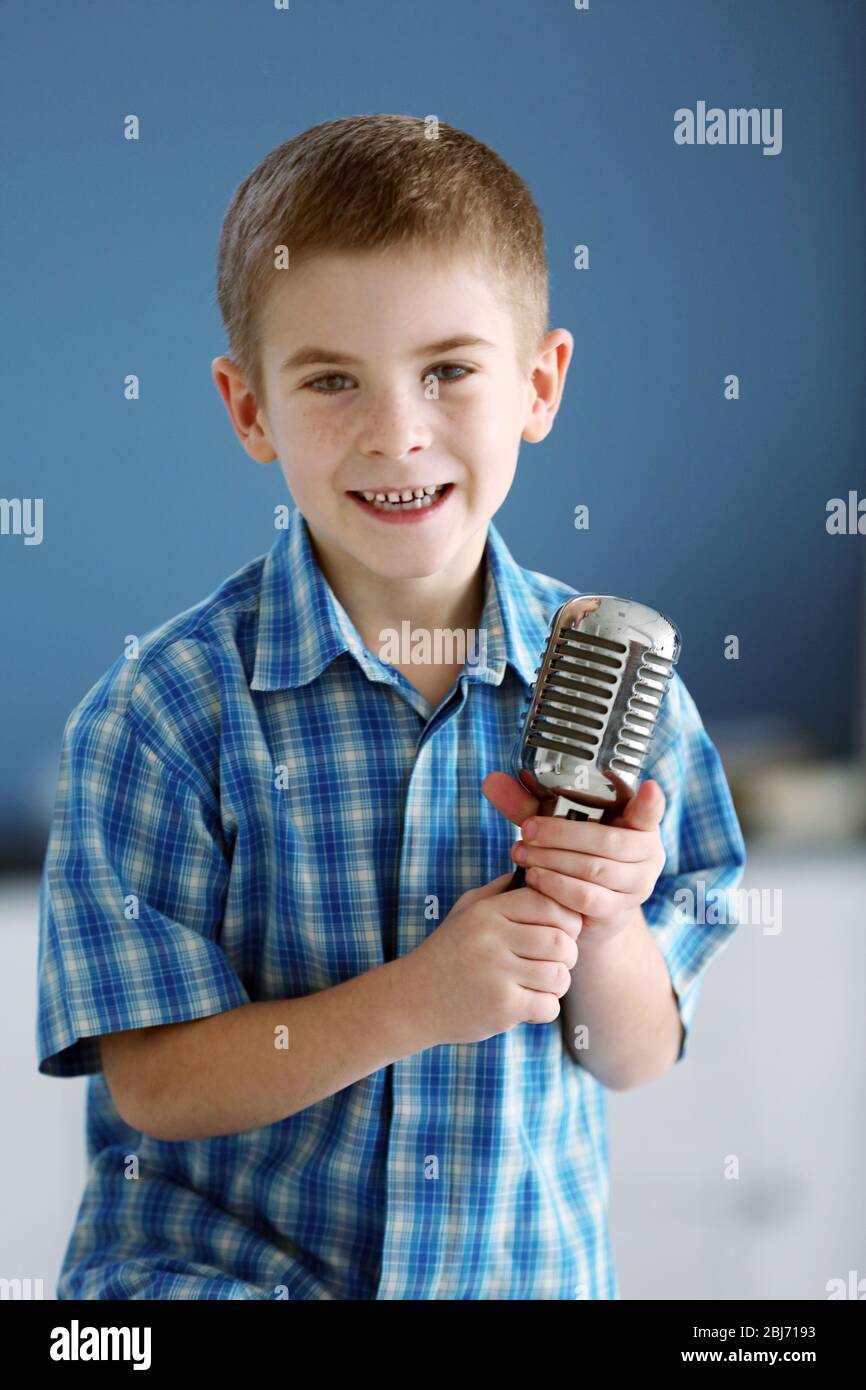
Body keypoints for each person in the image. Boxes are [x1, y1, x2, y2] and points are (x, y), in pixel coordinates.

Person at [36, 113, 746, 1300]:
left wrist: (608, 927)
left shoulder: (633, 701)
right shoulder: (157, 716)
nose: (397, 431)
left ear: (538, 383)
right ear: (249, 408)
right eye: (330, 380)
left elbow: (633, 1054)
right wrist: (414, 1001)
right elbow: (154, 1085)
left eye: (449, 370)